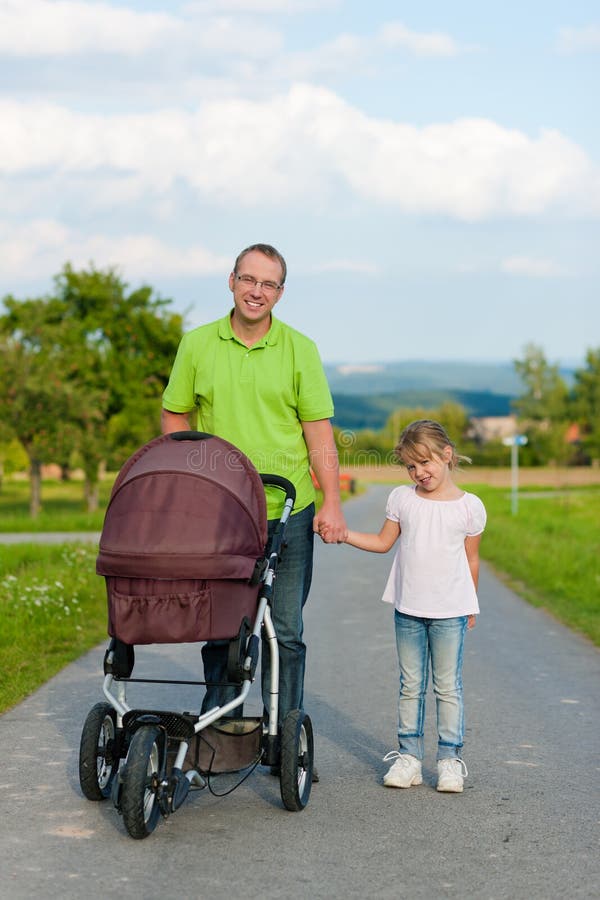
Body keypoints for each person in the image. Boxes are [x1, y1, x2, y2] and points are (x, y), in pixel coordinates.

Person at [161, 242, 346, 777]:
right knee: (223, 627)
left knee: (284, 631)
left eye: (268, 284)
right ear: (231, 281)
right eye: (248, 279)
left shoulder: (300, 349)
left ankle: (285, 743)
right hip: (220, 511)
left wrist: (332, 501)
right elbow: (175, 416)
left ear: (280, 293)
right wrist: (186, 479)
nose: (256, 291)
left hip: (289, 510)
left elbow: (318, 433)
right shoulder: (197, 344)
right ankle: (217, 736)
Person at [340, 419, 486, 793]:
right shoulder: (402, 499)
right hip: (408, 610)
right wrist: (344, 534)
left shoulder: (469, 507)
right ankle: (409, 759)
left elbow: (471, 559)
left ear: (447, 455)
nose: (419, 472)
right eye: (411, 466)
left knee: (447, 687)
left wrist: (470, 603)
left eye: (425, 462)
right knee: (410, 686)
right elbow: (382, 542)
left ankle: (450, 761)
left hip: (450, 612)